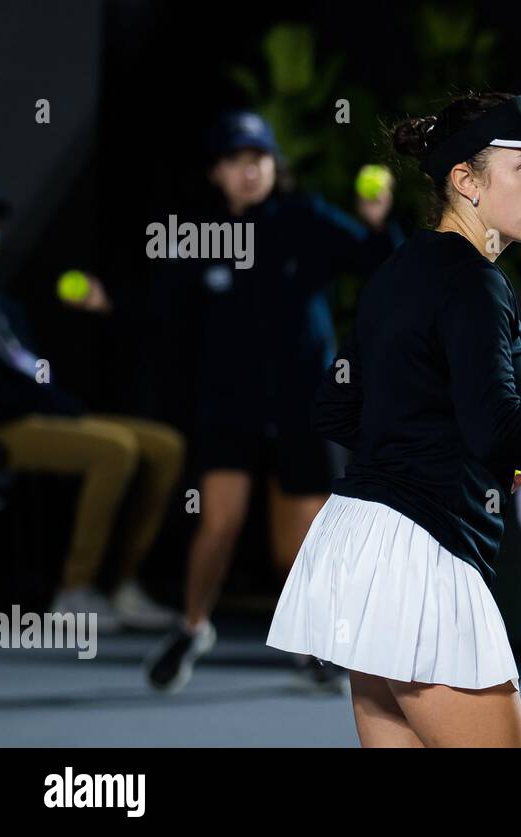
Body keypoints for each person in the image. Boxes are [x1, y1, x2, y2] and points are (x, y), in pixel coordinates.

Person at [266, 91, 521, 747]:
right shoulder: (476, 283)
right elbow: (499, 427)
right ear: (465, 181)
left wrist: (460, 449)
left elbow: (336, 407)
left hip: (359, 544)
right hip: (422, 555)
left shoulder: (398, 269)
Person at [144, 111, 403, 693]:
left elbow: (380, 265)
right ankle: (193, 627)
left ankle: (314, 645)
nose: (248, 170)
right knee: (218, 525)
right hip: (228, 406)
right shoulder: (197, 235)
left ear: (272, 166)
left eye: (258, 159)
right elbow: (169, 319)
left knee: (301, 543)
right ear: (218, 172)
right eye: (236, 161)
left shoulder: (305, 218)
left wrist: (378, 223)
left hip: (302, 405)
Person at [0, 185, 184, 631]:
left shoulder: (7, 307)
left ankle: (122, 584)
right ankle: (74, 591)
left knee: (165, 446)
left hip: (46, 413)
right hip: (5, 424)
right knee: (115, 449)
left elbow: (35, 374)